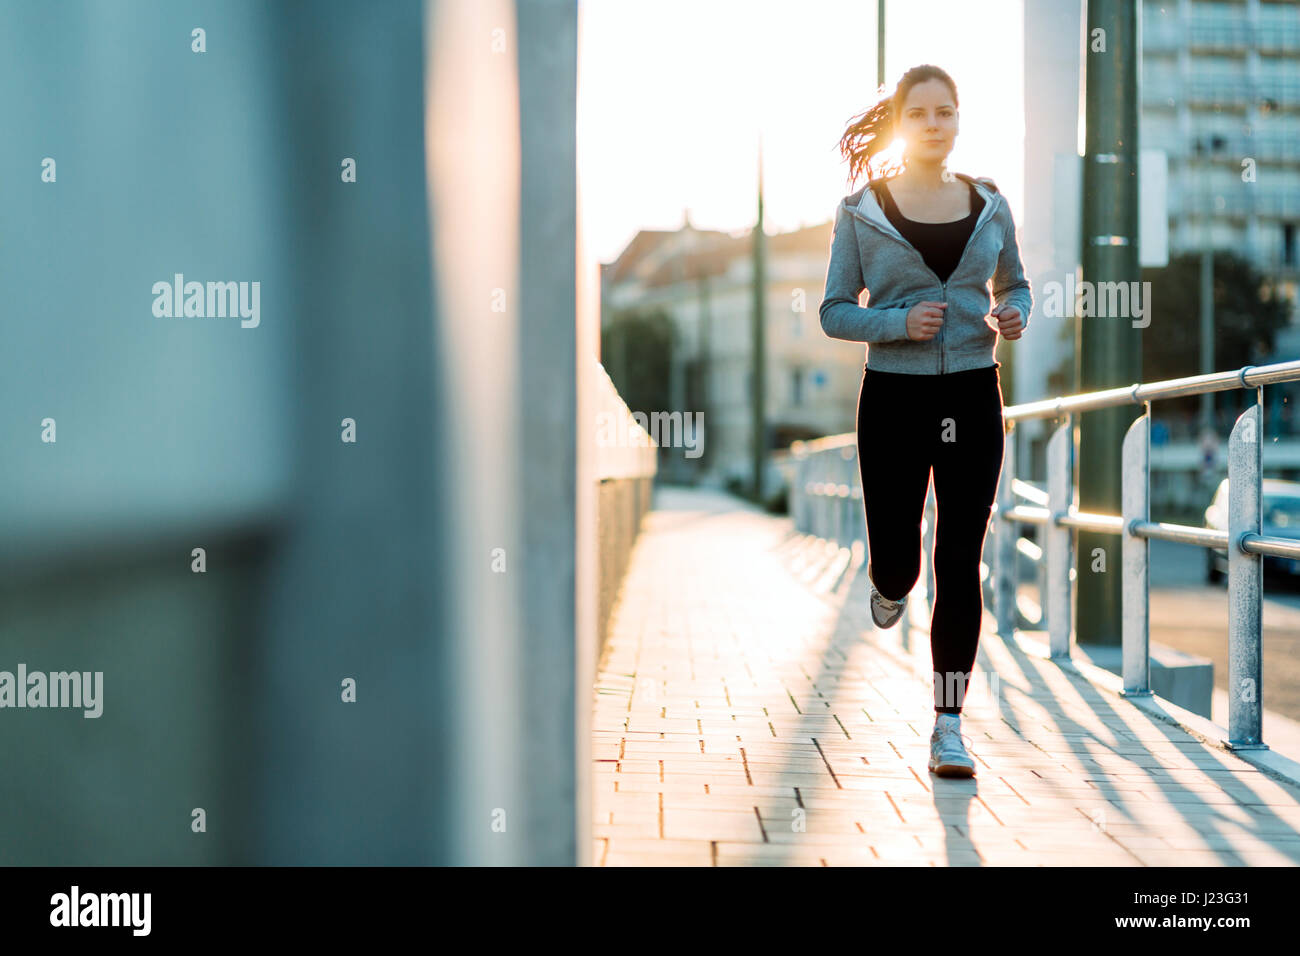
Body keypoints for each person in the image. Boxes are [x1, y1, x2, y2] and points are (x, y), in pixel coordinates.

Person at [818, 65, 1033, 778]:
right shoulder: (862, 210)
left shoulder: (991, 204)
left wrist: (1015, 314)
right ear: (902, 122)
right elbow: (834, 310)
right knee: (903, 563)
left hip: (973, 394)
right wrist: (899, 322)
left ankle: (948, 726)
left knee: (959, 557)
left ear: (959, 120)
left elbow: (1017, 284)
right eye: (921, 113)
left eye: (947, 112)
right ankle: (887, 581)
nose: (935, 123)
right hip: (893, 401)